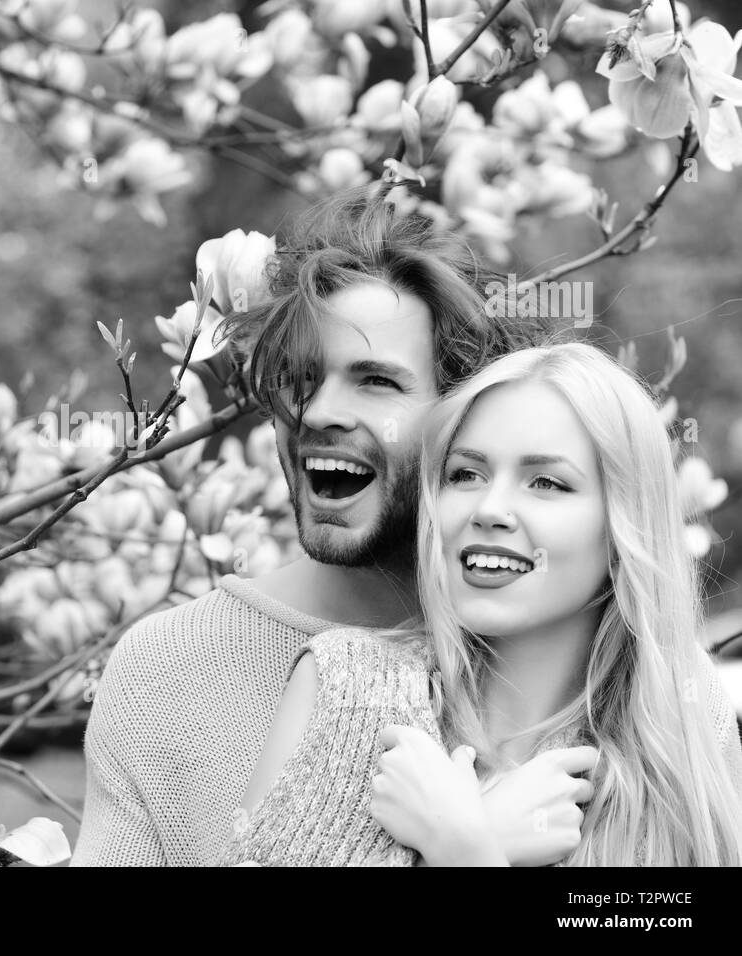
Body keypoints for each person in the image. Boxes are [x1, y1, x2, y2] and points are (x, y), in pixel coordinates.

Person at [70, 185, 563, 866]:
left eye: (376, 382)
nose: (319, 411)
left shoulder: (568, 664)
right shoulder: (163, 672)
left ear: (462, 417)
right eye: (301, 377)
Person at [223, 343, 742, 866]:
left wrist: (466, 851)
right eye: (466, 475)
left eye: (546, 482)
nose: (489, 509)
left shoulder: (678, 761)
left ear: (622, 532)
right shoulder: (343, 687)